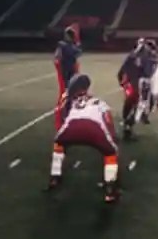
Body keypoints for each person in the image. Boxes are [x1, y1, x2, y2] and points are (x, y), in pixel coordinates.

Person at [47, 74, 122, 203]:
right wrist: (113, 137)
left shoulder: (70, 100)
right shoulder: (99, 102)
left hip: (71, 127)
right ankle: (110, 189)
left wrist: (61, 133)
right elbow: (108, 120)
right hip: (94, 129)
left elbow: (60, 115)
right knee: (111, 153)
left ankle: (55, 176)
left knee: (58, 144)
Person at [117, 39, 158, 139]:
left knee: (129, 103)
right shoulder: (149, 57)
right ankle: (128, 127)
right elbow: (148, 73)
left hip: (130, 84)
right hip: (140, 85)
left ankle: (127, 124)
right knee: (138, 106)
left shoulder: (131, 56)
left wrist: (122, 82)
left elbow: (121, 71)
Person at [53, 24, 82, 122]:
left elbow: (78, 53)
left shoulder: (70, 46)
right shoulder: (63, 45)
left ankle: (68, 110)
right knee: (67, 92)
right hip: (66, 71)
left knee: (72, 92)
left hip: (71, 71)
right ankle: (64, 112)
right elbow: (57, 57)